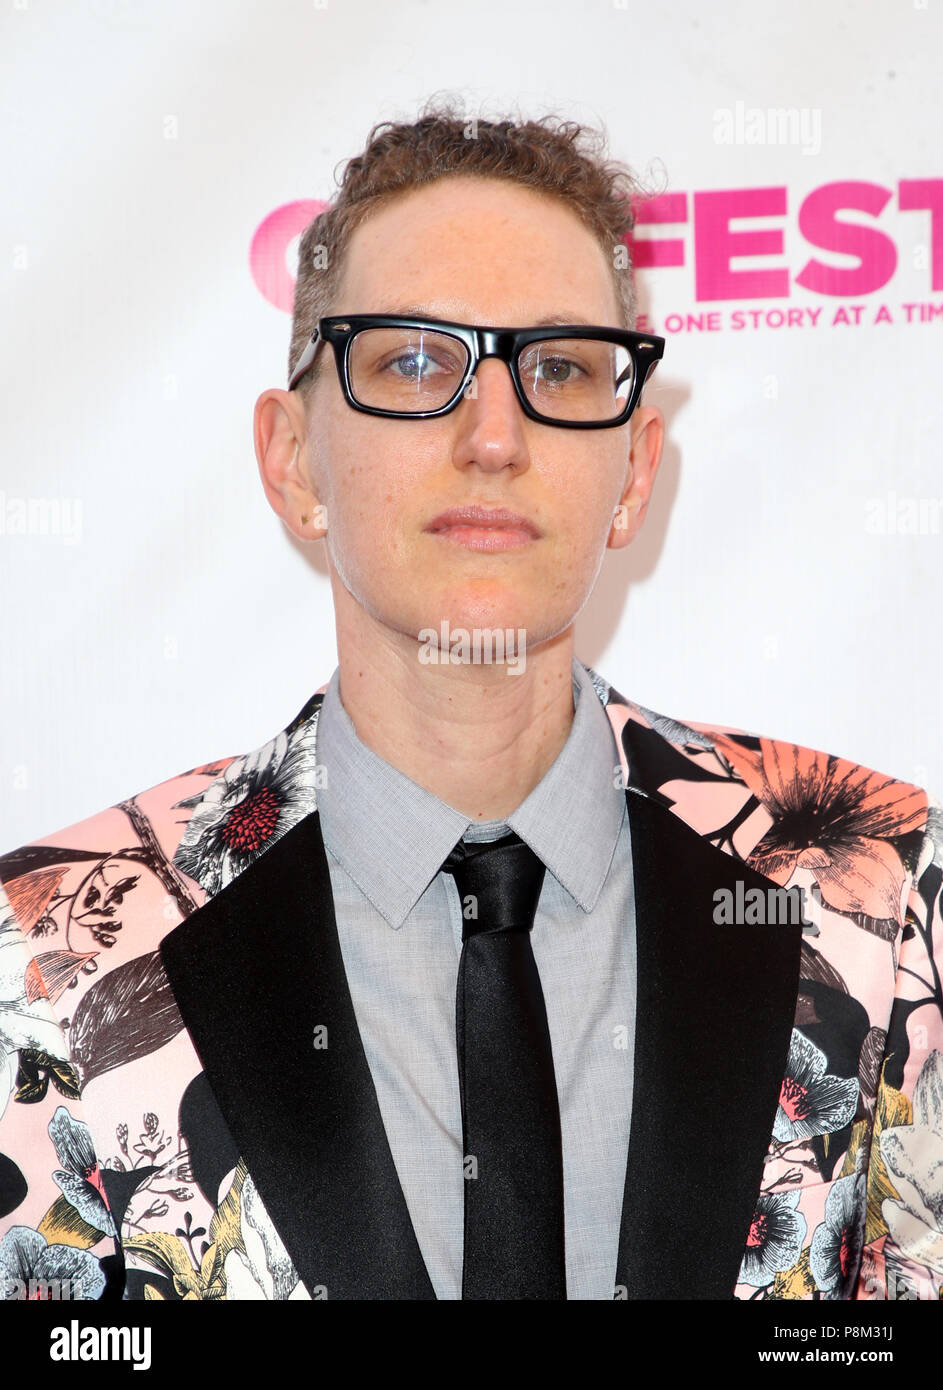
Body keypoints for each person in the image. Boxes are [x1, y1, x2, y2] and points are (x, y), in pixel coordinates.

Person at [1, 100, 941, 1304]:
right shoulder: (48, 952)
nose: (493, 434)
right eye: (411, 361)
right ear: (295, 462)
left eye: (554, 369)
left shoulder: (876, 890)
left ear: (634, 471)